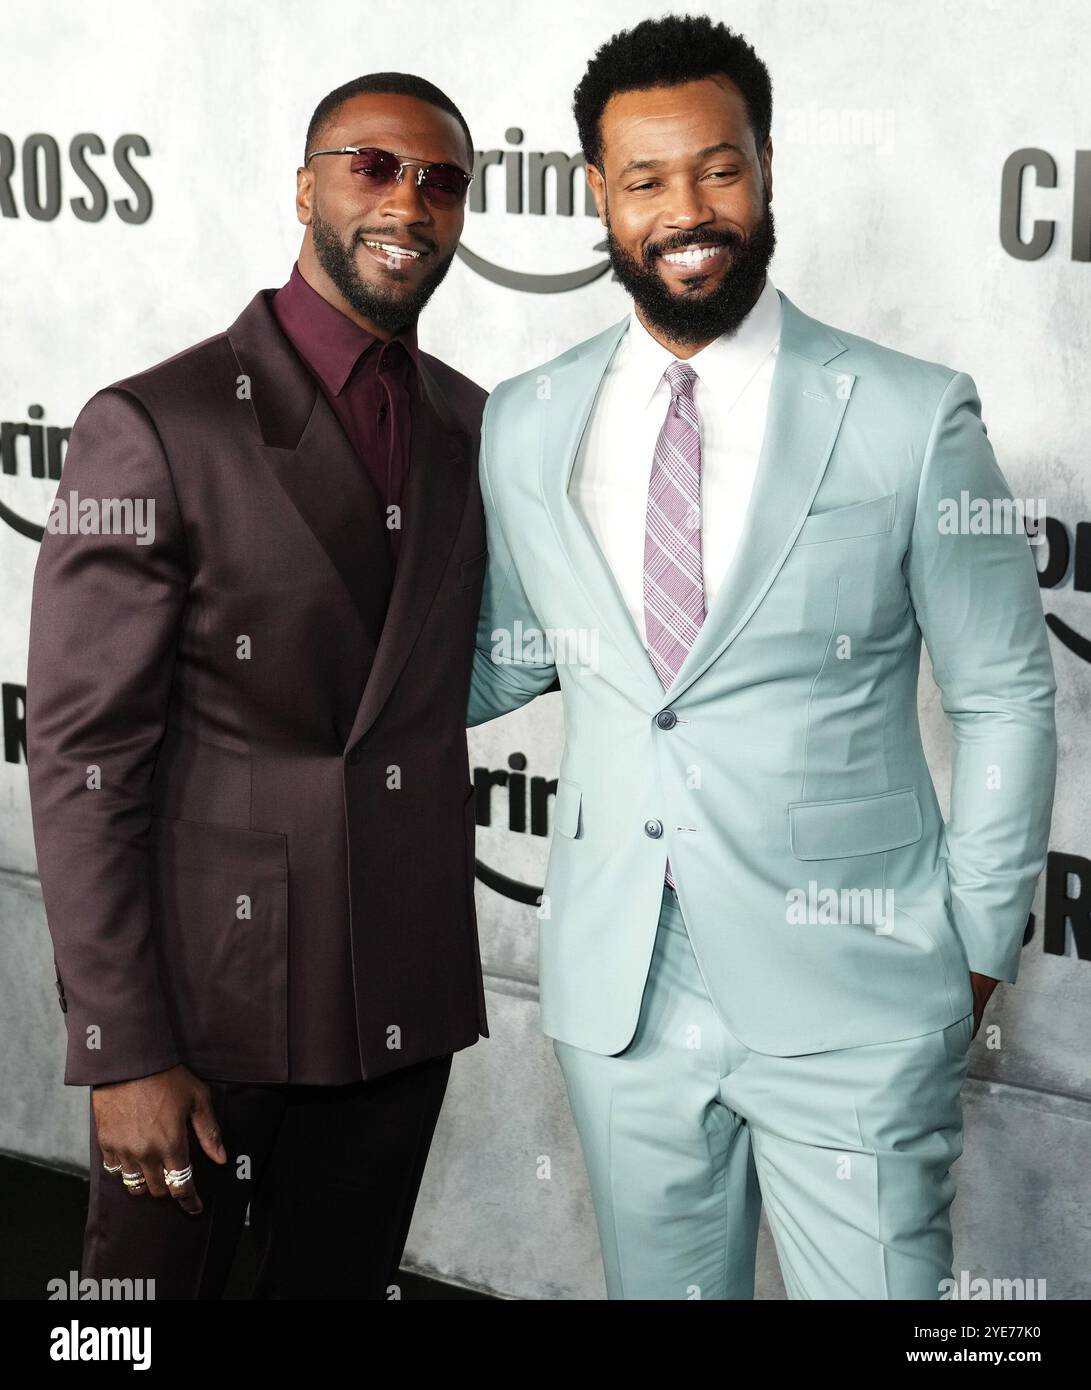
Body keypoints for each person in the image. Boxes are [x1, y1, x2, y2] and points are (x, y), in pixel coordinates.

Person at [467, 14, 1057, 1299]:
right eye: (646, 179)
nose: (689, 208)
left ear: (767, 165)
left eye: (717, 168)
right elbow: (506, 659)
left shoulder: (909, 412)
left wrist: (966, 947)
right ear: (597, 197)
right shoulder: (526, 422)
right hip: (621, 994)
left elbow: (1006, 690)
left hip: (857, 994)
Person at [27, 71, 488, 1299]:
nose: (410, 200)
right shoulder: (155, 424)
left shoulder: (475, 426)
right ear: (304, 186)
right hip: (204, 1013)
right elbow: (83, 762)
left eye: (442, 181)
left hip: (398, 1000)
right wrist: (121, 1048)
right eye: (373, 166)